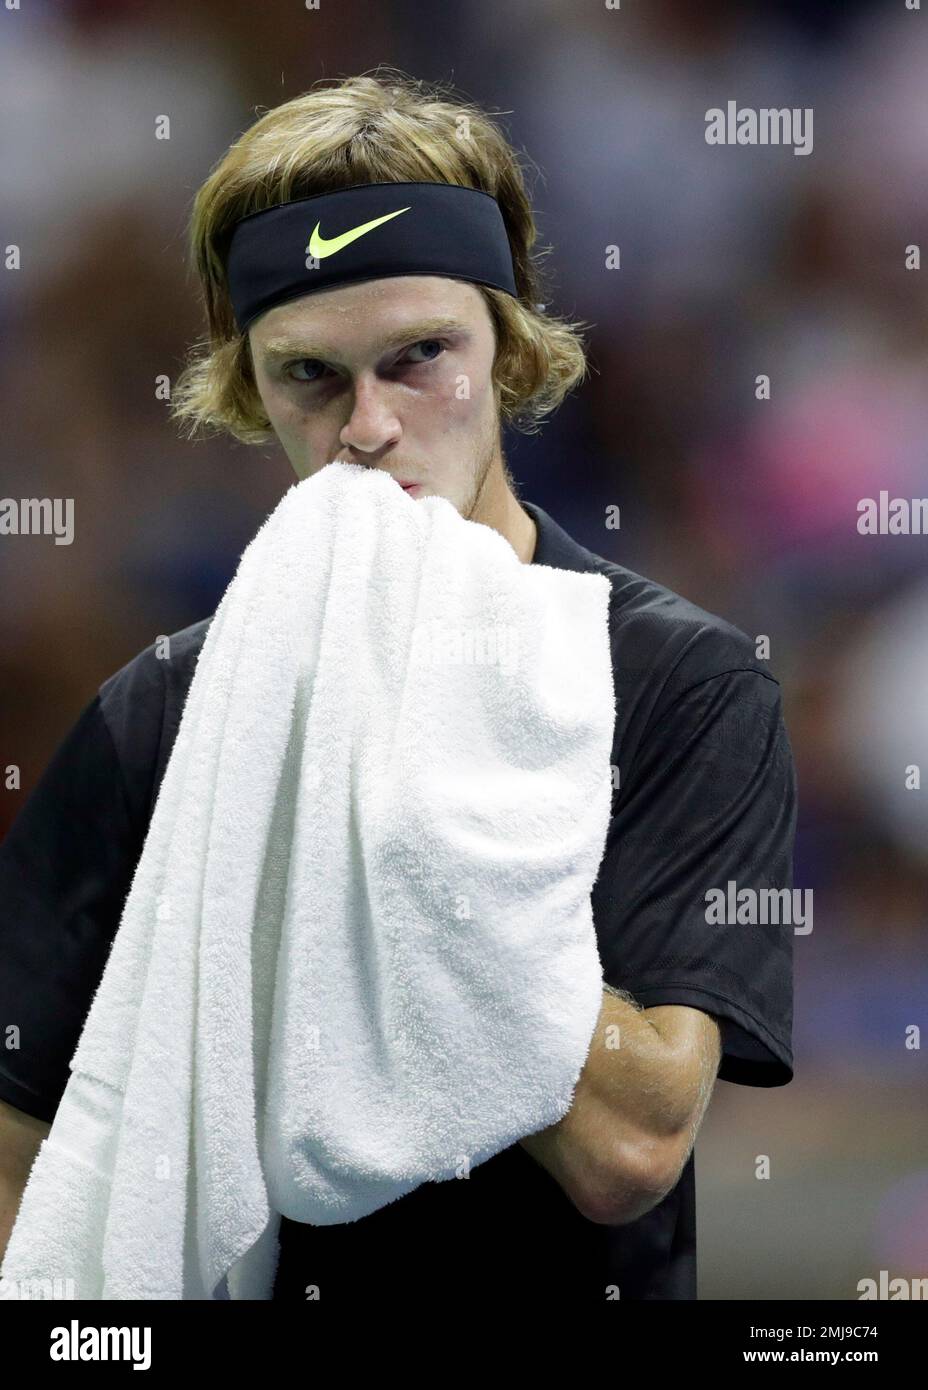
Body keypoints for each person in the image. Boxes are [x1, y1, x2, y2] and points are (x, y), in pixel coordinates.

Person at [0, 69, 796, 1302]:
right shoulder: (155, 717)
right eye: (309, 376)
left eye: (421, 356)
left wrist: (399, 797)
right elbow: (20, 1154)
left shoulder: (683, 685)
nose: (368, 425)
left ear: (511, 345)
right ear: (247, 389)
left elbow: (626, 1150)